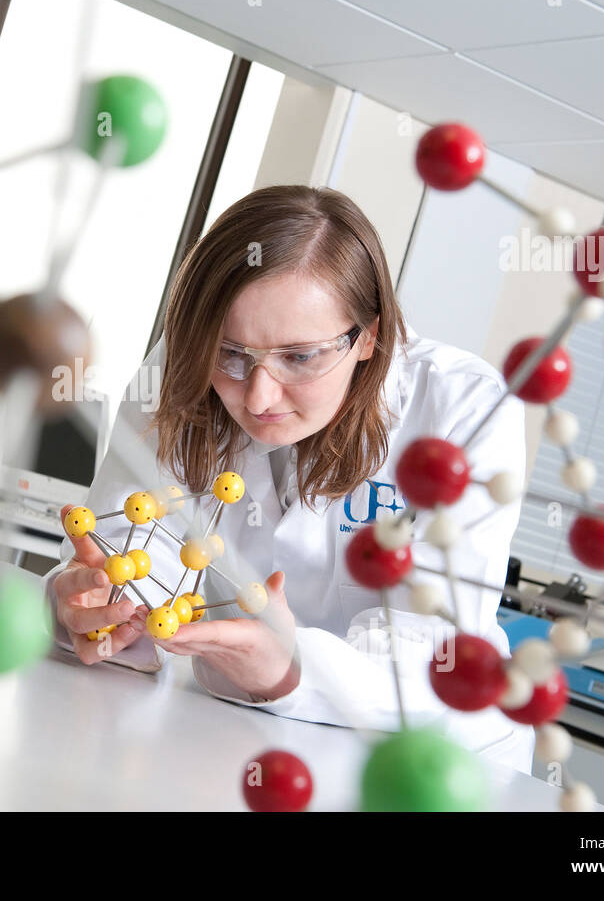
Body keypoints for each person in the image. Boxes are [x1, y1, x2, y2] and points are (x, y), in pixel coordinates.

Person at [43, 185, 534, 774]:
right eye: (230, 353)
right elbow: (124, 557)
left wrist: (289, 666)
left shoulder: (465, 406)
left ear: (368, 337)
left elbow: (432, 661)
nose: (258, 394)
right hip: (239, 737)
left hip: (426, 763)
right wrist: (82, 607)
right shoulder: (181, 366)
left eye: (299, 357)